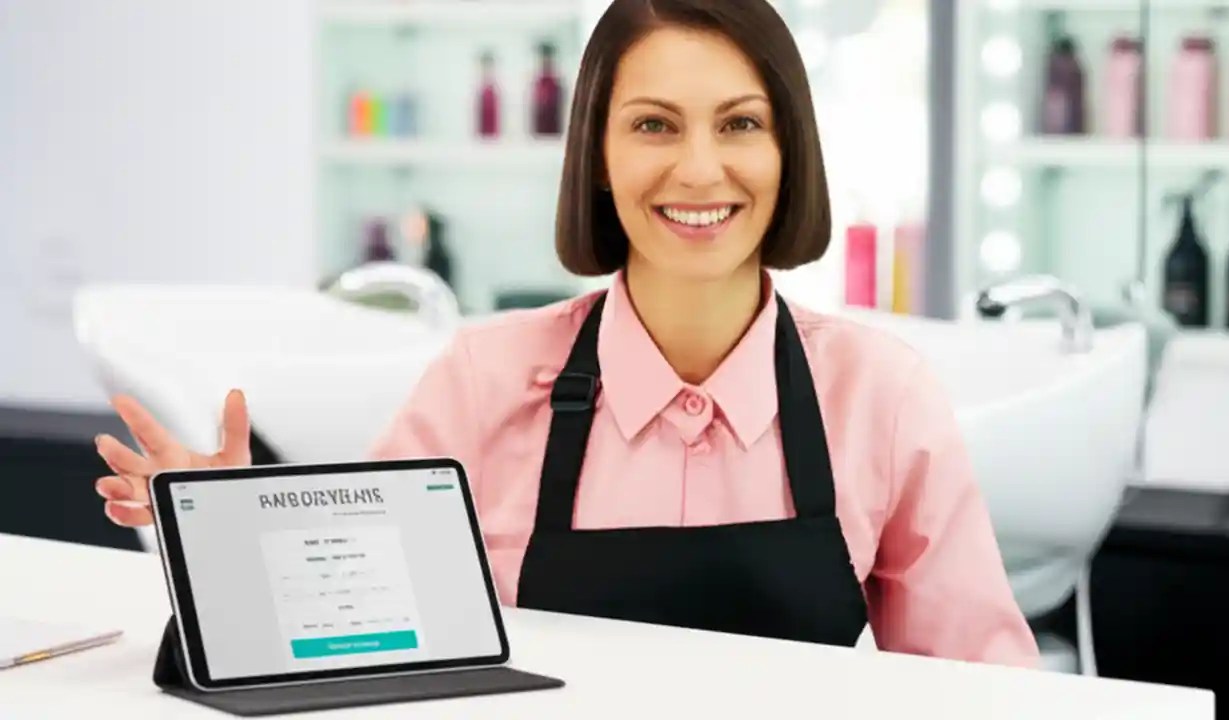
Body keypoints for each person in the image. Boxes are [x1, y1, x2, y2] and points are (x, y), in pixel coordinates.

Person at [93, 0, 1041, 669]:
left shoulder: (882, 394)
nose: (700, 169)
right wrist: (233, 537)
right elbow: (365, 625)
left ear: (789, 151)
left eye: (740, 123)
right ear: (597, 154)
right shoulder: (482, 380)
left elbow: (983, 691)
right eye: (655, 125)